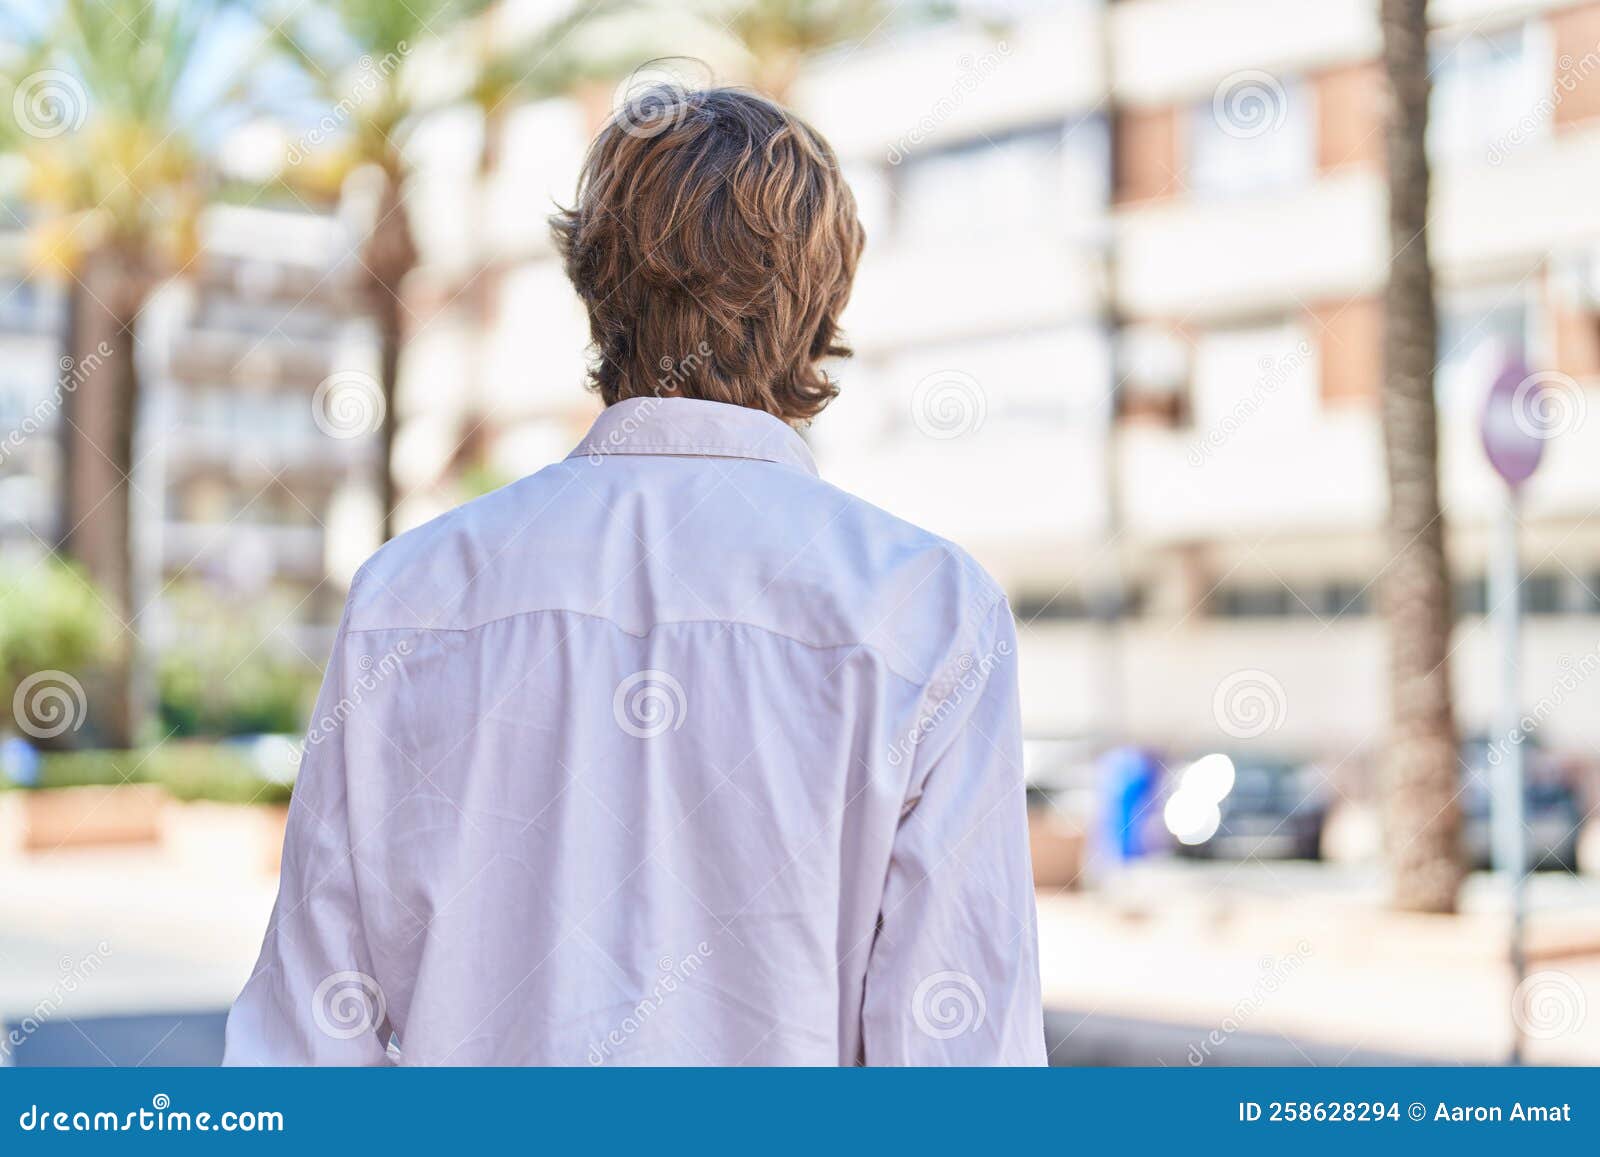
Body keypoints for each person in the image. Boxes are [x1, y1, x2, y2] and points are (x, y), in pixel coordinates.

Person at [224, 84, 1044, 1066]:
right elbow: (958, 1064)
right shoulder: (928, 609)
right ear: (823, 299)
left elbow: (307, 1048)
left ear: (594, 280)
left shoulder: (410, 595)